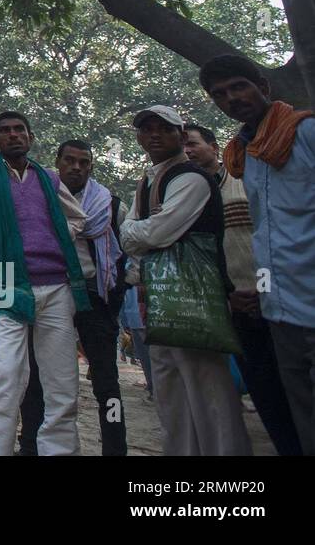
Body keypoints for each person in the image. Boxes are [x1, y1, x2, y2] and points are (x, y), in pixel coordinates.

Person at [0, 110, 93, 456]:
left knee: (62, 381)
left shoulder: (50, 179)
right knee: (6, 377)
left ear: (30, 137)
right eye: (5, 131)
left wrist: (54, 239)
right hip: (7, 282)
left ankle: (59, 451)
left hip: (57, 284)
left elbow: (79, 219)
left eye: (19, 130)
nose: (13, 135)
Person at [119, 104, 251, 456]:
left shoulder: (191, 178)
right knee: (171, 390)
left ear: (180, 134)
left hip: (196, 294)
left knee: (209, 389)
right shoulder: (148, 181)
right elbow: (133, 233)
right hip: (162, 297)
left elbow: (152, 233)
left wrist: (137, 232)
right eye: (146, 130)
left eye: (163, 128)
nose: (154, 135)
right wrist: (138, 232)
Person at [200, 54, 315, 455]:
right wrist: (258, 291)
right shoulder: (244, 157)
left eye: (239, 87)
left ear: (263, 87)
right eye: (220, 95)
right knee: (298, 419)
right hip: (281, 311)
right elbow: (264, 236)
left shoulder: (306, 133)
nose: (231, 98)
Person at [184, 122, 301, 456]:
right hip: (235, 308)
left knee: (297, 387)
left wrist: (263, 288)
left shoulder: (242, 181)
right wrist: (227, 295)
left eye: (193, 144)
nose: (188, 151)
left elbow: (271, 234)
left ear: (212, 146)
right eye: (184, 146)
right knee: (266, 394)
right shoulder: (188, 195)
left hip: (279, 301)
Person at [20, 139, 128, 456]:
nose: (76, 167)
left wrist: (114, 303)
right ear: (58, 162)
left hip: (95, 299)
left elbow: (123, 256)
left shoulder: (110, 205)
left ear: (91, 166)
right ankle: (30, 445)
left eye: (84, 162)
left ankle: (115, 448)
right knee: (37, 377)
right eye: (70, 160)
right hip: (50, 295)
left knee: (107, 384)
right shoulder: (37, 200)